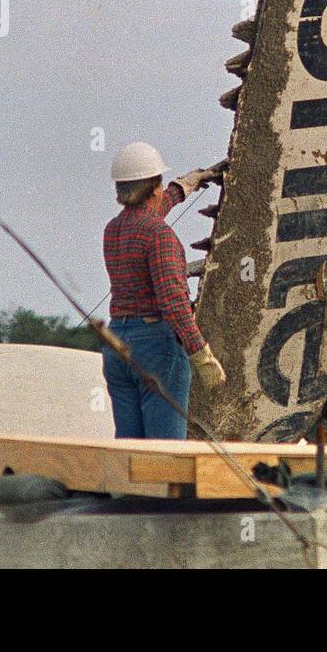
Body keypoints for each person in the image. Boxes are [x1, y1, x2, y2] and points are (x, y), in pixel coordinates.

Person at [102, 141, 226, 439]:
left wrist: (186, 185)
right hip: (155, 348)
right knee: (164, 455)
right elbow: (173, 304)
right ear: (154, 189)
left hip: (116, 343)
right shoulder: (160, 236)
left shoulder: (113, 229)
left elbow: (146, 212)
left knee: (131, 455)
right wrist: (201, 354)